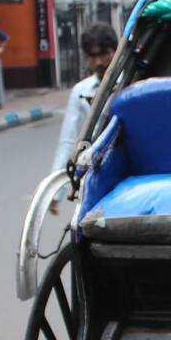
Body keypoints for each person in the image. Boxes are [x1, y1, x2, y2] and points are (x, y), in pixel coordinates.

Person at [49, 22, 118, 209]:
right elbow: (69, 139)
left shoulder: (135, 82)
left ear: (116, 51)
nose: (98, 62)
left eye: (104, 54)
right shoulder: (81, 91)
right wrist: (56, 191)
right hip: (95, 172)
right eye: (92, 57)